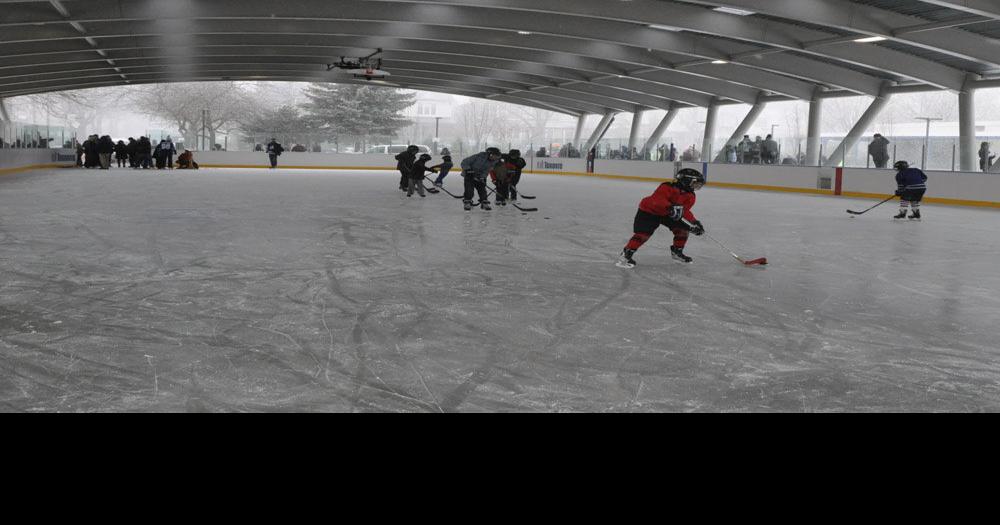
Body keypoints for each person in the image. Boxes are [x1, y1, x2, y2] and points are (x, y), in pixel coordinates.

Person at [617, 168, 706, 268]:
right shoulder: (666, 186)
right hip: (649, 211)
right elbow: (657, 200)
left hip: (667, 214)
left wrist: (693, 222)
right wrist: (670, 207)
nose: (696, 186)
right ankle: (626, 255)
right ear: (686, 180)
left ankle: (677, 252)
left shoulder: (691, 196)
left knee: (683, 230)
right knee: (643, 234)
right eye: (695, 183)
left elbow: (684, 211)